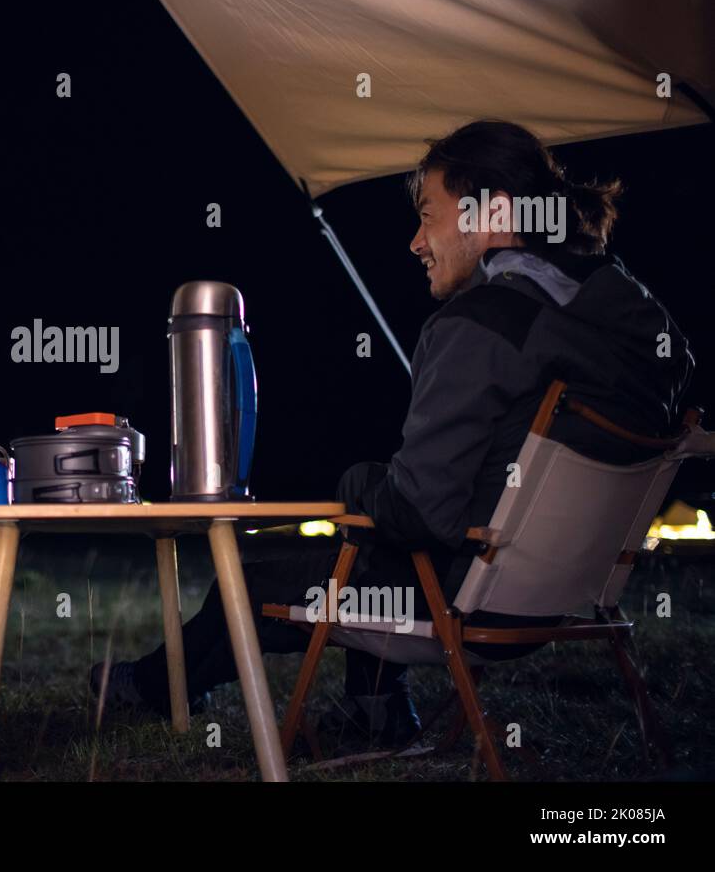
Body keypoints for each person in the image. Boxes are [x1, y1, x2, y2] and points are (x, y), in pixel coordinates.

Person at [92, 119, 694, 746]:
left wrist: (359, 480)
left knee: (255, 572)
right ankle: (371, 708)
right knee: (380, 542)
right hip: (561, 597)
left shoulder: (481, 325)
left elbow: (419, 511)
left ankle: (153, 688)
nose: (415, 241)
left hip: (467, 599)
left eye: (428, 215)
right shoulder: (642, 335)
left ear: (492, 212)